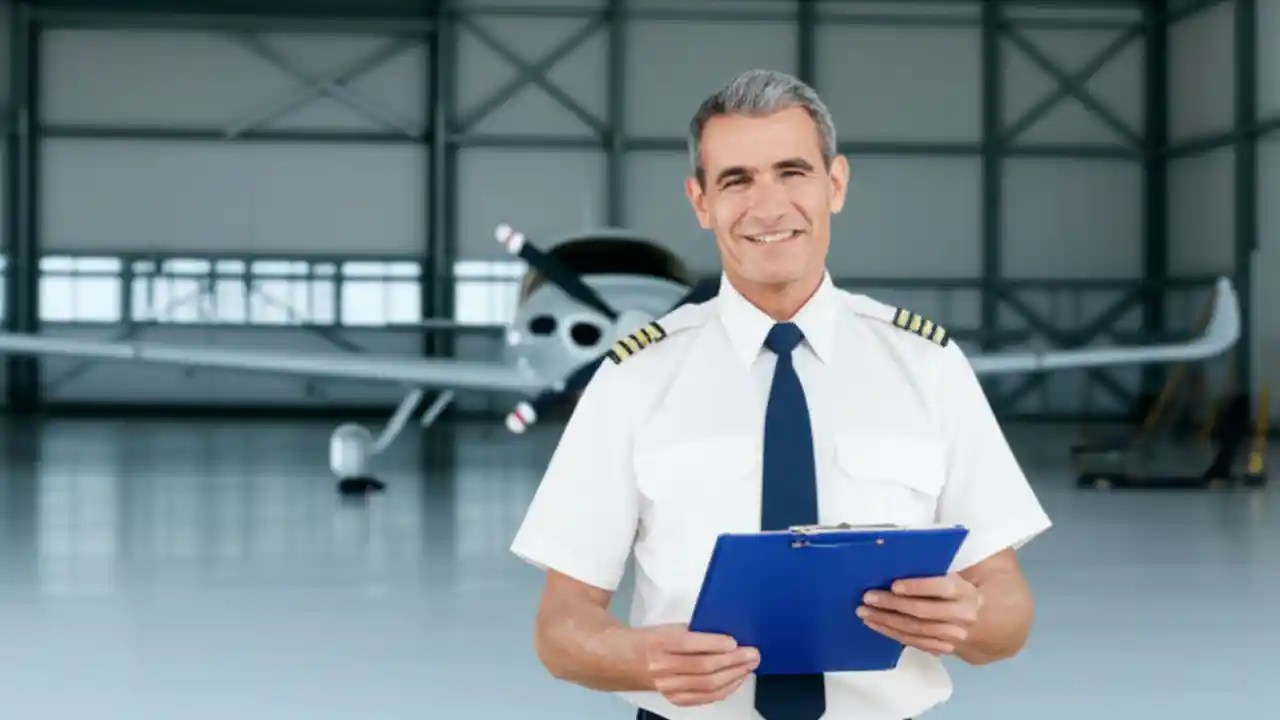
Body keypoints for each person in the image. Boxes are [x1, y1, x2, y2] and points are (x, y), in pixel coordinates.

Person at [509, 68, 1052, 720]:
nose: (767, 207)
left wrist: (975, 620)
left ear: (836, 184)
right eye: (736, 180)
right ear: (700, 201)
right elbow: (560, 626)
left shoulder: (926, 365)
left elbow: (1009, 609)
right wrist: (634, 657)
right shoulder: (634, 378)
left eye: (792, 172)